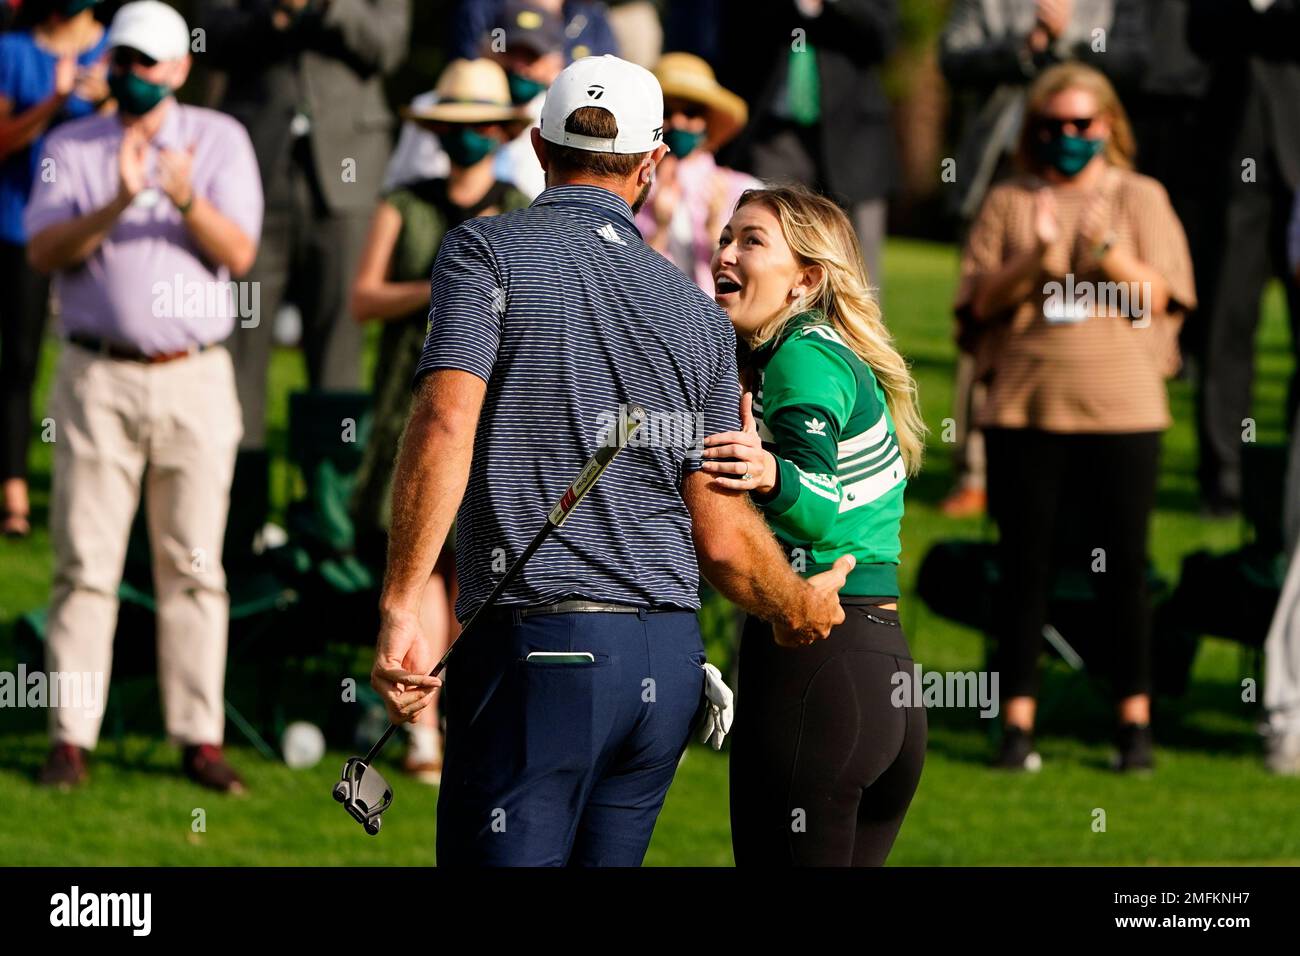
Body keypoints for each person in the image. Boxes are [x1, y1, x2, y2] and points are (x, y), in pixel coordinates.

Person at [369, 55, 852, 867]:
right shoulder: (700, 314)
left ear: (538, 146)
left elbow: (446, 421)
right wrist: (794, 604)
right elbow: (723, 533)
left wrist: (400, 602)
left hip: (543, 650)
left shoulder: (483, 252)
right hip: (664, 661)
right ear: (652, 164)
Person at [25, 0, 263, 792]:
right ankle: (70, 737)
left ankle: (198, 736)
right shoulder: (70, 143)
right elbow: (42, 250)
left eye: (147, 63)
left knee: (195, 567)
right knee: (85, 563)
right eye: (121, 60)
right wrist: (119, 201)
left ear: (179, 68)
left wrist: (186, 199)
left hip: (194, 375)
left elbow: (240, 249)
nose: (132, 74)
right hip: (96, 375)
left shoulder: (219, 139)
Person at [957, 63, 1195, 772]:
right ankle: (1018, 725)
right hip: (1026, 411)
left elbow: (1167, 297)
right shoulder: (1009, 200)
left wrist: (1109, 256)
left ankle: (1134, 724)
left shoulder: (1139, 197)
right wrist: (1039, 258)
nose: (1068, 136)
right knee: (1023, 570)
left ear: (1109, 127)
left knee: (1123, 569)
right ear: (1035, 130)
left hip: (1124, 413)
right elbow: (974, 306)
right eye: (1054, 125)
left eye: (1082, 125)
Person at [702, 184, 927, 866]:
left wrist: (770, 473)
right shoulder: (811, 355)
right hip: (877, 670)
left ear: (807, 278)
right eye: (726, 236)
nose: (726, 253)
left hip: (818, 667)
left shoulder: (803, 354)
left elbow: (820, 497)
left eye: (752, 241)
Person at [349, 59, 532, 786]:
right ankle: (422, 728)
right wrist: (443, 282)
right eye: (459, 128)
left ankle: (457, 716)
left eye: (485, 127)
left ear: (501, 132)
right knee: (419, 557)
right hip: (410, 396)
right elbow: (363, 297)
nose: (472, 138)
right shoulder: (405, 200)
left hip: (491, 404)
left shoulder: (519, 202)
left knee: (469, 565)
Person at [197, 0, 411, 553]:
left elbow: (387, 46)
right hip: (251, 171)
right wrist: (273, 14)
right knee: (236, 353)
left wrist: (321, 7)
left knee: (339, 354)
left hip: (348, 172)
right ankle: (235, 530)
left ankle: (329, 531)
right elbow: (208, 36)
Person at [937, 0, 1148, 519]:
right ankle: (976, 469)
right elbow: (954, 59)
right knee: (988, 312)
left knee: (1091, 306)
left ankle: (1088, 444)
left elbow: (1137, 62)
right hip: (1002, 169)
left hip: (1097, 183)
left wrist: (1070, 40)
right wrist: (1026, 48)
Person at [0, 0, 110, 537]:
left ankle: (96, 494)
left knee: (93, 356)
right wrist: (56, 100)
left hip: (96, 235)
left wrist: (108, 101)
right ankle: (14, 490)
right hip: (20, 228)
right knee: (18, 360)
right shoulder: (15, 52)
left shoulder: (122, 51)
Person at [716, 0, 897, 287]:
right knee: (764, 244)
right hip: (773, 136)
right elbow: (732, 34)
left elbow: (883, 37)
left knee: (858, 273)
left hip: (854, 138)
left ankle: (851, 332)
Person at [384, 0, 565, 199]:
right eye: (510, 52)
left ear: (554, 62)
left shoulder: (560, 116)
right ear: (487, 48)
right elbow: (401, 185)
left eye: (531, 56)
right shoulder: (433, 105)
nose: (519, 67)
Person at [634, 52, 759, 292]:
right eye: (666, 112)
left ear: (708, 121)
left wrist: (718, 232)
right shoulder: (629, 191)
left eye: (690, 113)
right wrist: (659, 229)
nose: (678, 122)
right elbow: (628, 281)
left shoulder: (742, 191)